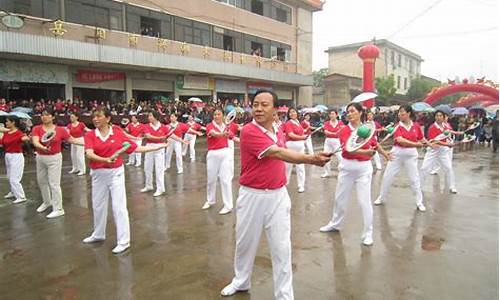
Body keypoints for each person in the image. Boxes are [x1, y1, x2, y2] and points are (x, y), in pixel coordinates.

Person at [220, 90, 330, 299]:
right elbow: (277, 153)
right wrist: (311, 158)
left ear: (275, 110)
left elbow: (281, 150)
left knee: (282, 248)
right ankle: (241, 281)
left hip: (278, 196)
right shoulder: (250, 132)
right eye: (255, 104)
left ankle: (284, 295)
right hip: (252, 196)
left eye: (264, 105)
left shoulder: (277, 129)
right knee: (245, 244)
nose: (259, 109)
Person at [82, 107, 168, 254]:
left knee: (118, 207)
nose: (95, 119)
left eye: (99, 116)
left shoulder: (117, 132)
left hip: (116, 173)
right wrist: (105, 159)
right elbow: (89, 154)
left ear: (108, 118)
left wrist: (155, 148)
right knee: (98, 206)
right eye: (93, 116)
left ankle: (123, 241)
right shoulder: (90, 135)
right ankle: (98, 234)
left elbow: (134, 148)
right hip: (98, 174)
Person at [320, 102, 391, 246]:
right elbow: (348, 149)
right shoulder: (344, 130)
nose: (349, 114)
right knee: (340, 199)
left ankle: (368, 233)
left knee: (364, 201)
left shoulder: (367, 128)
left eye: (352, 111)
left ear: (360, 113)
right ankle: (335, 224)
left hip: (363, 169)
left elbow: (374, 144)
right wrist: (366, 151)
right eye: (348, 111)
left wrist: (384, 154)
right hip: (347, 167)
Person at [31, 109, 84, 218]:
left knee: (54, 183)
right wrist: (42, 147)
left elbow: (72, 140)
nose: (44, 117)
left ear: (52, 117)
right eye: (42, 115)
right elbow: (35, 141)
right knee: (41, 181)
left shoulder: (60, 130)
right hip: (40, 157)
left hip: (54, 158)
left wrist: (88, 144)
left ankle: (58, 208)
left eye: (47, 115)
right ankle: (47, 202)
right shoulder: (36, 128)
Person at [374, 105, 428, 212]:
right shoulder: (397, 126)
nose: (400, 115)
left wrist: (429, 144)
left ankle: (419, 202)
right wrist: (416, 144)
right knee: (387, 176)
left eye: (402, 113)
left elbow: (422, 139)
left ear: (409, 114)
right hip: (397, 153)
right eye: (399, 113)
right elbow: (400, 140)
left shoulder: (416, 126)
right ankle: (381, 197)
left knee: (414, 179)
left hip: (411, 155)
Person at [201, 109, 233, 215]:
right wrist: (223, 134)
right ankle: (210, 200)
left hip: (225, 153)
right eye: (215, 114)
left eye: (219, 114)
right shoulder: (210, 125)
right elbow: (213, 134)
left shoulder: (226, 126)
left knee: (225, 180)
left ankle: (228, 205)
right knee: (211, 179)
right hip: (213, 154)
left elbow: (232, 136)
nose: (216, 116)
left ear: (222, 116)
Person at [420, 110, 458, 194]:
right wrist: (447, 144)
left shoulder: (446, 126)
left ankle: (452, 186)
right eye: (437, 116)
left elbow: (450, 132)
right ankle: (419, 186)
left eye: (440, 116)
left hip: (443, 151)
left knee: (448, 168)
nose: (438, 117)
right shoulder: (432, 127)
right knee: (424, 168)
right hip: (432, 151)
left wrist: (459, 133)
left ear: (444, 117)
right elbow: (435, 141)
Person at [0, 116, 30, 204]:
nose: (6, 123)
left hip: (16, 156)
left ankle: (21, 196)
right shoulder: (7, 133)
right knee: (9, 176)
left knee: (14, 178)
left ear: (13, 122)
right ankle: (13, 192)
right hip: (8, 155)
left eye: (8, 121)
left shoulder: (19, 133)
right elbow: (2, 143)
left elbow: (24, 138)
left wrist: (27, 138)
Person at [141, 111, 171, 197]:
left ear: (155, 117)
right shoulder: (146, 126)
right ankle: (148, 185)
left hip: (160, 147)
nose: (149, 117)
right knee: (147, 167)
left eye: (150, 116)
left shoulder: (163, 127)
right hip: (149, 147)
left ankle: (160, 188)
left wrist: (167, 142)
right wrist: (160, 137)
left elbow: (169, 136)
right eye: (149, 116)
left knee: (159, 168)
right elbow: (148, 136)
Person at [283, 107, 307, 193]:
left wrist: (304, 135)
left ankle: (301, 185)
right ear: (288, 114)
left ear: (297, 113)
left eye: (294, 112)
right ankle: (285, 183)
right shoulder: (288, 123)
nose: (292, 114)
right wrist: (302, 137)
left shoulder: (298, 122)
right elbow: (290, 134)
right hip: (291, 146)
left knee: (300, 167)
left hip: (300, 146)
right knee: (287, 166)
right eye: (290, 112)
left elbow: (301, 132)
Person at [321, 109, 344, 178]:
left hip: (337, 141)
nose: (332, 115)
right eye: (330, 114)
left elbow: (341, 131)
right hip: (328, 141)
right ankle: (326, 172)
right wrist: (334, 133)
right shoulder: (327, 123)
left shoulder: (340, 123)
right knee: (326, 156)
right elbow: (326, 132)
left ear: (336, 115)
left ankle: (341, 172)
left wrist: (334, 133)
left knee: (340, 157)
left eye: (333, 114)